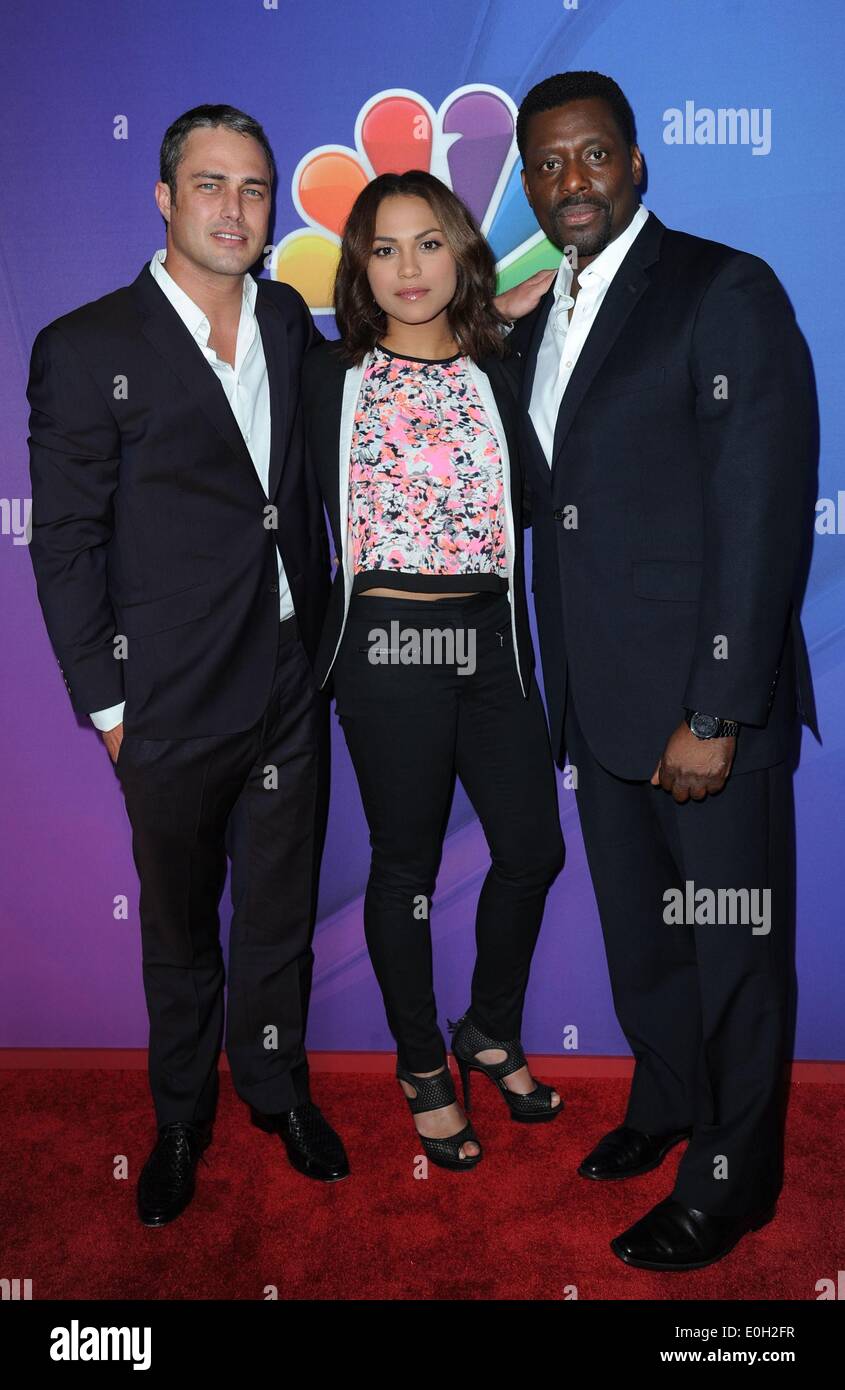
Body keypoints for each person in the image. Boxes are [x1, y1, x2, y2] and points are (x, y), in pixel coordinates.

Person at [507, 70, 819, 1267]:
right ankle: (666, 1102)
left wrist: (716, 706)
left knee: (732, 948)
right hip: (594, 701)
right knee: (645, 938)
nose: (568, 180)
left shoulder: (719, 287)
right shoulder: (544, 312)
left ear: (637, 163)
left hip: (702, 711)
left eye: (590, 156)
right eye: (545, 163)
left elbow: (761, 510)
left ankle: (731, 1180)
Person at [26, 104, 350, 1226]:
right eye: (209, 185)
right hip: (163, 696)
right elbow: (63, 540)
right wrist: (110, 705)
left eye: (254, 188)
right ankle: (179, 1119)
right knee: (177, 929)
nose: (234, 207)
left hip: (287, 681)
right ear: (164, 198)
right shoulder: (88, 345)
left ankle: (273, 1087)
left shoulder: (287, 320)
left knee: (275, 912)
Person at [301, 170, 566, 1170]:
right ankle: (420, 1064)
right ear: (360, 269)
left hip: (488, 647)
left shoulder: (499, 372)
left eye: (427, 243)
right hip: (384, 652)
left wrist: (502, 313)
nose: (407, 268)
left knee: (532, 849)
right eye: (383, 248)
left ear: (459, 251)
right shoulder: (330, 376)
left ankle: (486, 1028)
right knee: (403, 867)